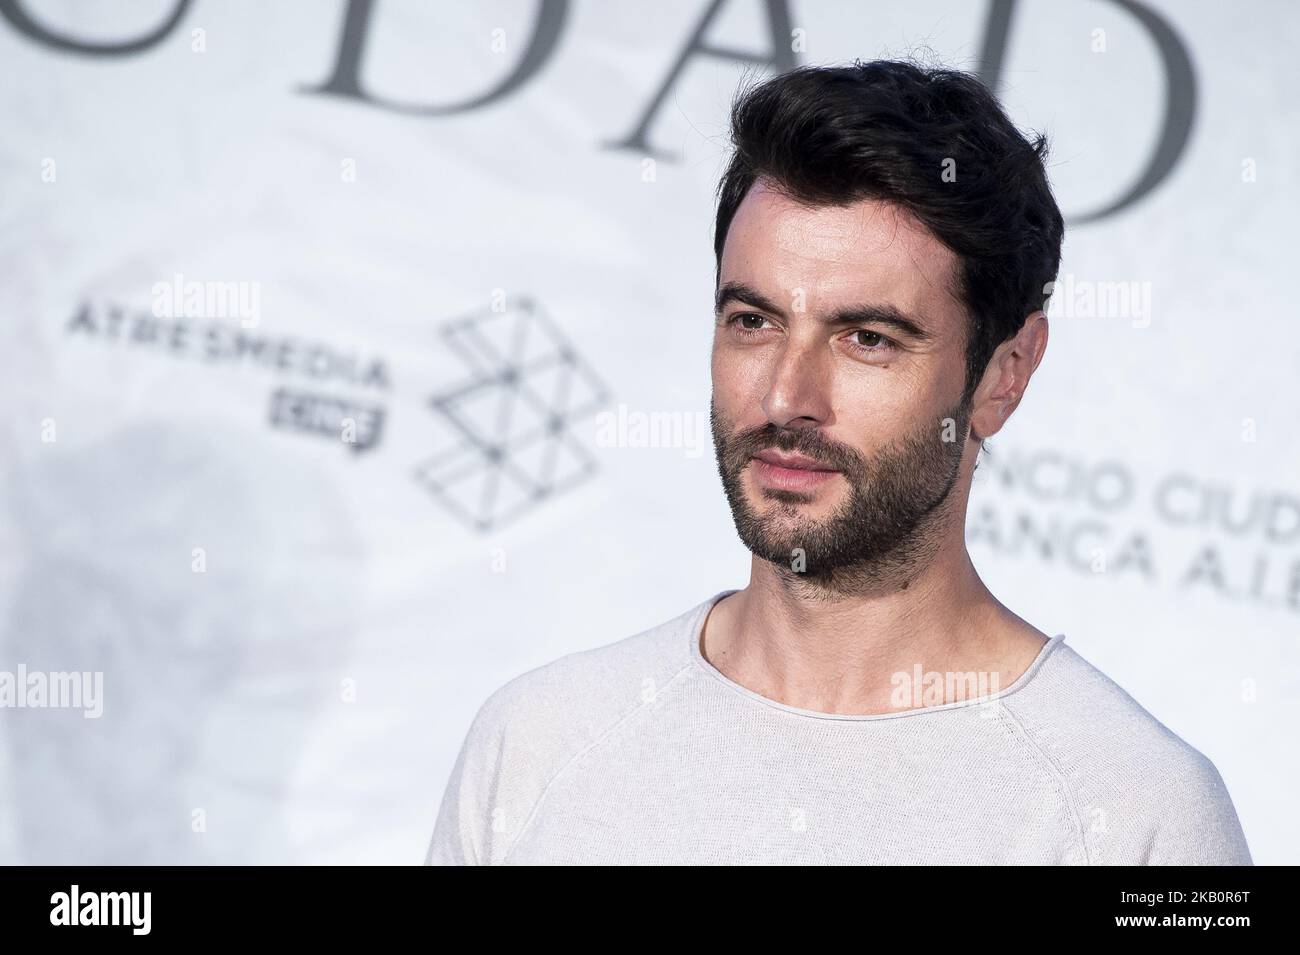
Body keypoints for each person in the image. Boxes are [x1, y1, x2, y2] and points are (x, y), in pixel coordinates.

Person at [424, 60, 1252, 865]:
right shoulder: (534, 741)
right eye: (753, 321)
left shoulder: (1138, 815)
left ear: (1004, 375)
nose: (786, 397)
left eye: (868, 339)